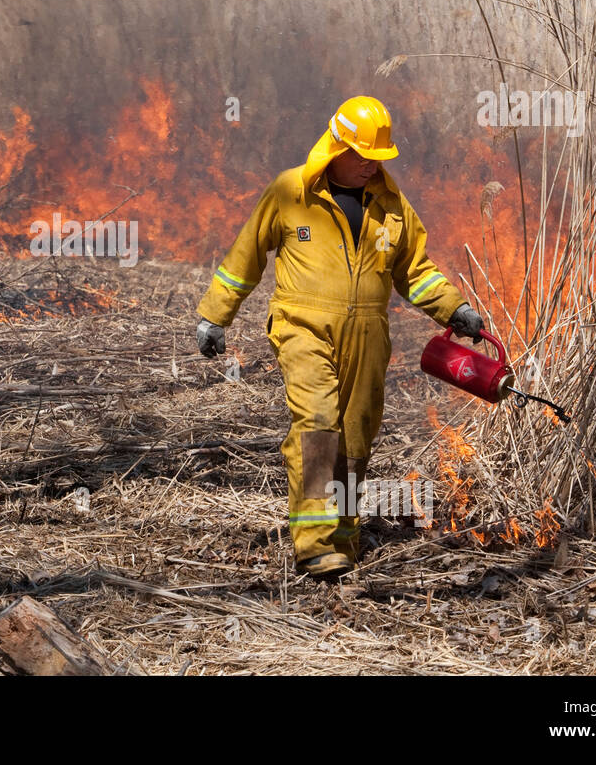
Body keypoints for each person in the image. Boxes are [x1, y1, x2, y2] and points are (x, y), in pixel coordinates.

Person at [194, 96, 484, 580]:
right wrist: (214, 317)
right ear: (335, 146)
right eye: (361, 154)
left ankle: (343, 536)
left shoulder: (391, 205)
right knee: (318, 423)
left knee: (354, 438)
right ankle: (314, 541)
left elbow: (415, 271)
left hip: (369, 335)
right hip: (302, 327)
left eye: (378, 157)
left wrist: (454, 308)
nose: (371, 164)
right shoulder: (291, 193)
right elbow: (245, 257)